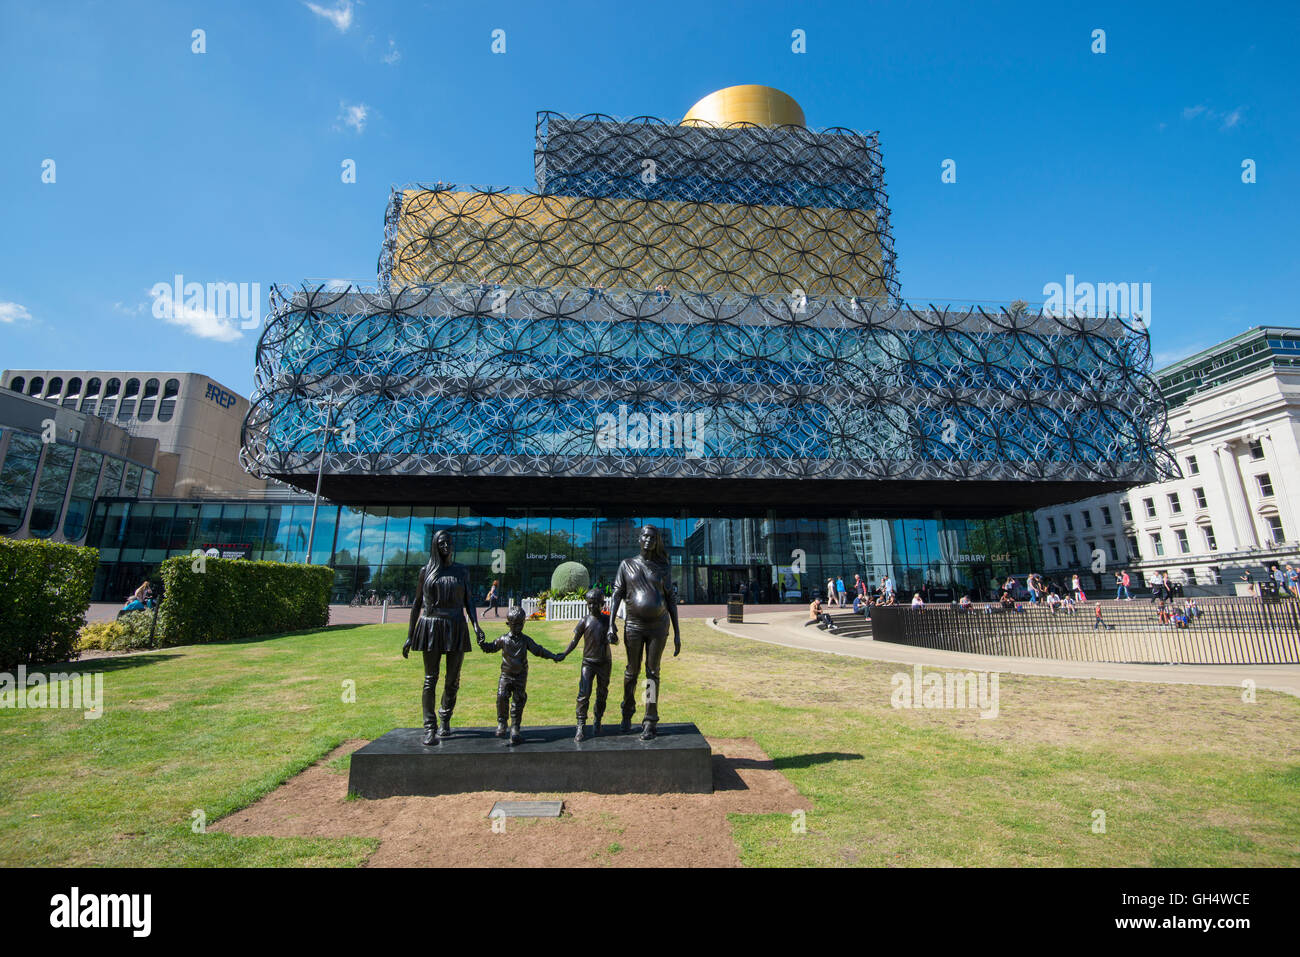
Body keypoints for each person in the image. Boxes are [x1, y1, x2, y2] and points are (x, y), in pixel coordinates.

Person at [402, 530, 487, 746]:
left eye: (449, 542)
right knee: (431, 679)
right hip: (432, 626)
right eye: (442, 543)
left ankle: (445, 718)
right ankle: (429, 727)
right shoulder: (426, 571)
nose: (446, 546)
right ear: (435, 546)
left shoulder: (461, 571)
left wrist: (476, 626)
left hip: (456, 625)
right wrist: (410, 636)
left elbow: (469, 601)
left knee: (453, 679)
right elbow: (416, 604)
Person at [609, 525, 681, 741]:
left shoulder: (663, 567)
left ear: (656, 541)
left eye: (652, 537)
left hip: (659, 627)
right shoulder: (627, 565)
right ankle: (627, 710)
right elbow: (616, 594)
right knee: (632, 671)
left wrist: (677, 633)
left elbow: (671, 600)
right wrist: (611, 624)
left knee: (652, 672)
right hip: (634, 626)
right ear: (639, 539)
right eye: (644, 536)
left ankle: (650, 718)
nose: (648, 540)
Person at [478, 606, 563, 745]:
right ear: (508, 624)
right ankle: (502, 723)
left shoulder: (525, 640)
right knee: (501, 696)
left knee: (518, 701)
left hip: (520, 676)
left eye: (520, 624)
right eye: (514, 624)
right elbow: (491, 647)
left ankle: (515, 728)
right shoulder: (503, 640)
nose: (518, 627)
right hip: (506, 675)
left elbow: (538, 650)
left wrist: (553, 656)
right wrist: (482, 644)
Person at [559, 588, 614, 741]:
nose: (592, 607)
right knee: (583, 694)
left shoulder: (607, 620)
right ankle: (580, 725)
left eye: (595, 604)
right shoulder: (584, 620)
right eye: (589, 604)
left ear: (602, 604)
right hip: (588, 663)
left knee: (602, 694)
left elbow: (614, 638)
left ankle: (598, 720)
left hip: (604, 662)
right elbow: (574, 640)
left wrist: (613, 638)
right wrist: (564, 653)